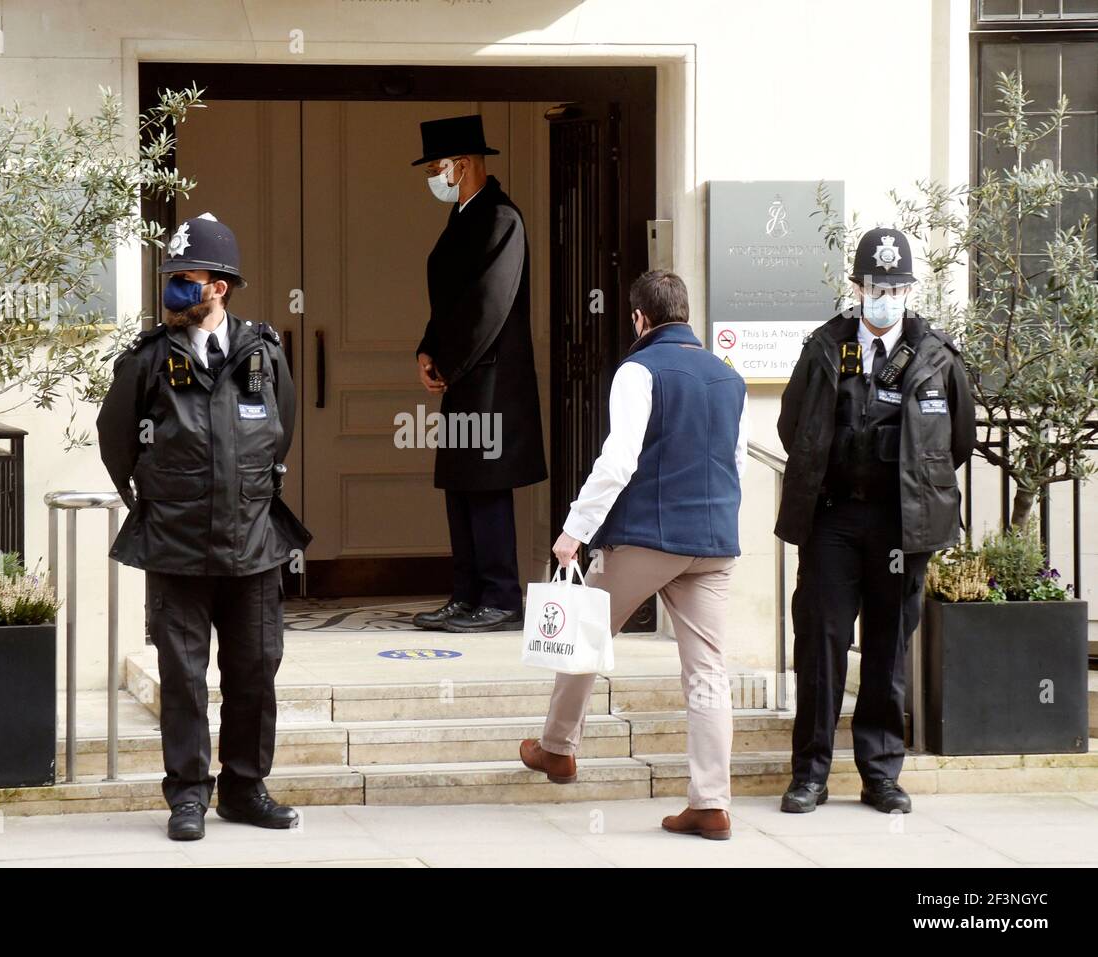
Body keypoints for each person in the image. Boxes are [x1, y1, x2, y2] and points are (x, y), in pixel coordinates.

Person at [96, 212, 311, 841]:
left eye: (185, 281)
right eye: (170, 279)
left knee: (255, 667)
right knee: (184, 676)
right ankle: (188, 795)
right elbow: (117, 439)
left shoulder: (264, 353)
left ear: (218, 286)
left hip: (254, 542)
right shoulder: (147, 359)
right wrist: (158, 493)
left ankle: (245, 789)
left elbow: (283, 431)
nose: (173, 293)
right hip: (177, 543)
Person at [520, 270, 748, 841]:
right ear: (686, 315)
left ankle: (557, 749)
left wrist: (575, 529)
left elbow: (618, 459)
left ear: (639, 319)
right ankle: (712, 802)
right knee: (708, 673)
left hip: (646, 538)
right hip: (713, 542)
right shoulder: (729, 378)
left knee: (583, 638)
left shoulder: (638, 369)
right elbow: (735, 463)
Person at [775, 226, 974, 815]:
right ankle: (810, 774)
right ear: (857, 287)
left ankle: (880, 775)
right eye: (874, 284)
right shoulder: (824, 347)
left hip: (900, 524)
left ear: (908, 288)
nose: (884, 293)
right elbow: (793, 426)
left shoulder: (936, 355)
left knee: (888, 651)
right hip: (834, 519)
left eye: (894, 285)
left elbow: (956, 440)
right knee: (821, 646)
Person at [408, 114, 548, 634]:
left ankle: (502, 597)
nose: (433, 176)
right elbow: (452, 301)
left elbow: (488, 304)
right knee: (462, 485)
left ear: (461, 165)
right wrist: (429, 347)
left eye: (437, 166)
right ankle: (467, 595)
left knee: (486, 485)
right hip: (467, 375)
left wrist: (449, 359)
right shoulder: (467, 215)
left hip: (490, 378)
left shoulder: (500, 219)